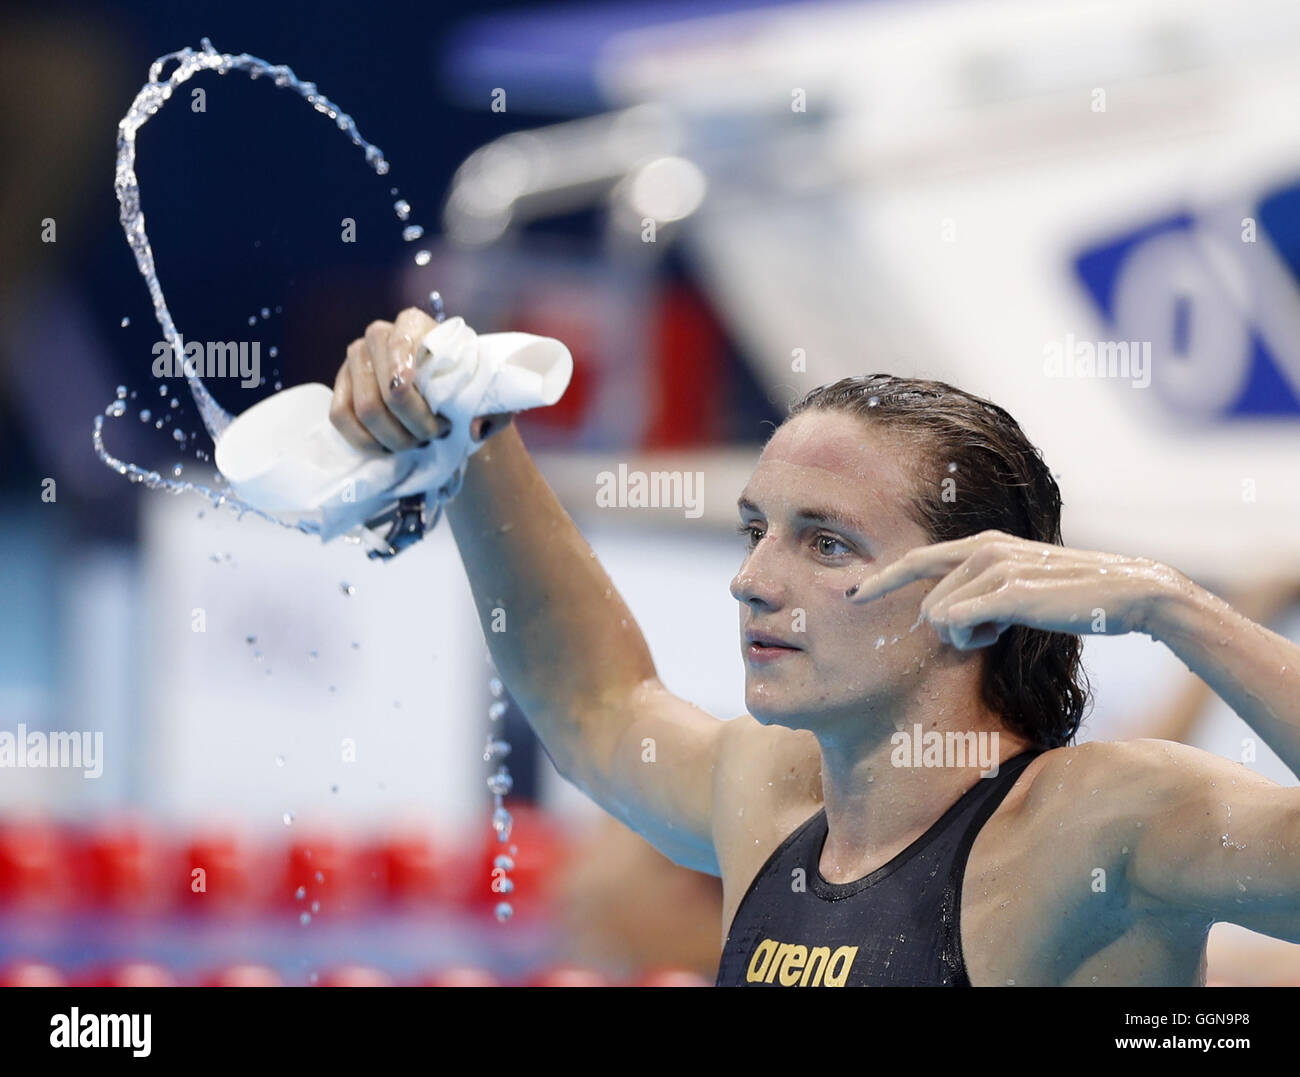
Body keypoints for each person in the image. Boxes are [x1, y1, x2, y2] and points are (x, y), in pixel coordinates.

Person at [328, 308, 1300, 987]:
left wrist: (1174, 608)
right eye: (757, 530)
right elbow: (596, 708)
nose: (753, 579)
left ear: (971, 590)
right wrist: (467, 432)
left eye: (824, 542)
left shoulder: (1096, 825)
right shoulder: (772, 799)